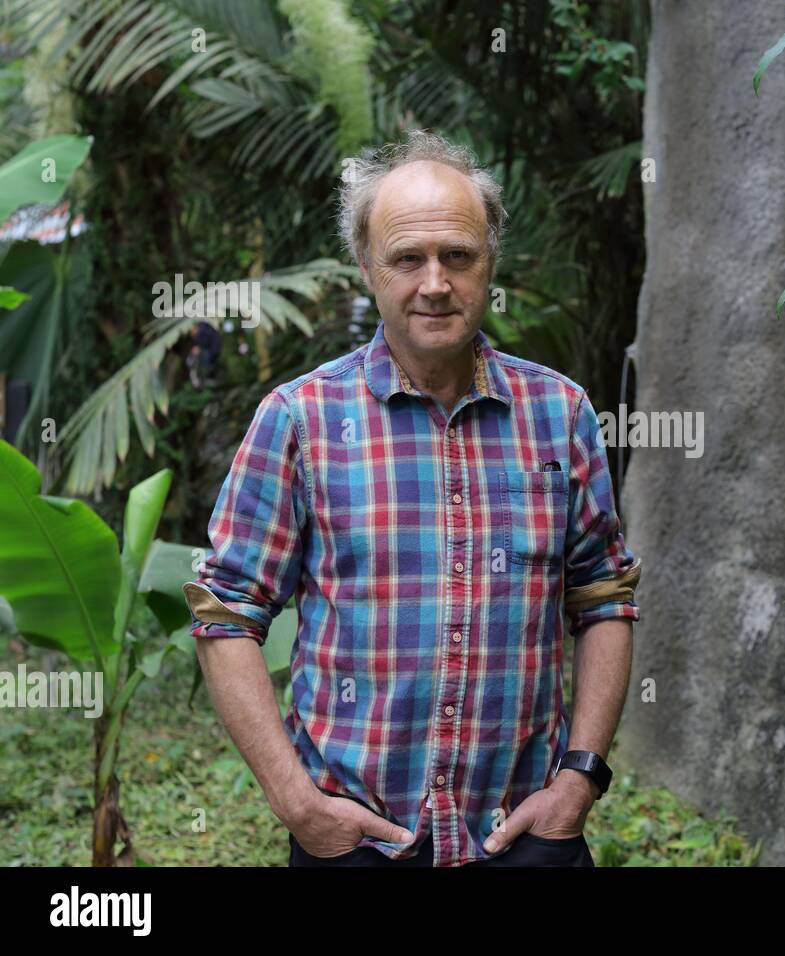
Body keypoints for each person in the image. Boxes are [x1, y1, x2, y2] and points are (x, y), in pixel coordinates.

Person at [182, 129, 641, 868]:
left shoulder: (562, 413)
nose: (435, 282)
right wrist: (296, 803)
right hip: (355, 841)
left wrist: (581, 778)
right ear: (368, 267)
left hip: (524, 835)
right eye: (407, 258)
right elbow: (226, 613)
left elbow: (604, 599)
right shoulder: (298, 420)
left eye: (457, 256)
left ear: (489, 261)